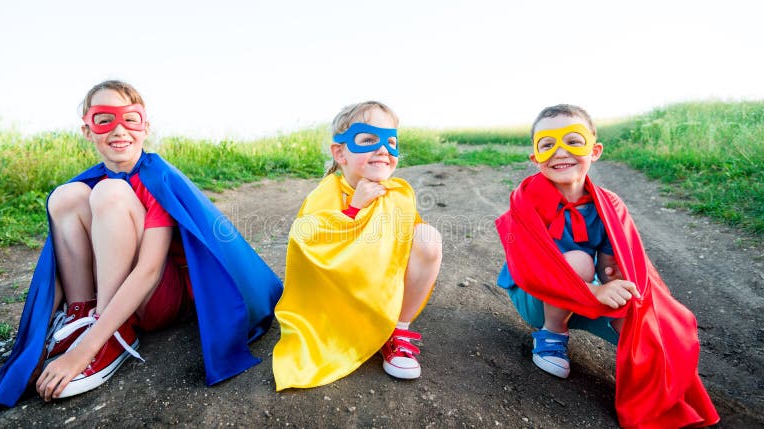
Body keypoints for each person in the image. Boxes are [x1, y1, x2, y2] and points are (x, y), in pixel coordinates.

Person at [0, 80, 283, 406]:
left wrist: (84, 351)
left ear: (145, 126)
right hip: (110, 286)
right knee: (66, 197)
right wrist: (33, 345)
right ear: (87, 130)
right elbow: (57, 268)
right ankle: (81, 316)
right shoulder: (91, 179)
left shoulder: (157, 179)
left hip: (157, 295)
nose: (119, 129)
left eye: (130, 119)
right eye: (104, 119)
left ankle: (108, 334)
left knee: (112, 193)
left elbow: (150, 271)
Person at [495, 104, 719, 428]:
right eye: (547, 144)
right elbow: (532, 266)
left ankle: (652, 391)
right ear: (535, 158)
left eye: (573, 141)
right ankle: (551, 336)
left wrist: (614, 279)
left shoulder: (608, 204)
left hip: (586, 292)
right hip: (535, 296)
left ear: (594, 150)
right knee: (578, 260)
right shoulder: (525, 200)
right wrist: (594, 289)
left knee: (641, 310)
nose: (561, 152)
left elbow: (619, 260)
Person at [272, 101, 442, 390]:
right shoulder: (327, 193)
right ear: (340, 153)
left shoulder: (397, 193)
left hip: (380, 287)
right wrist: (354, 209)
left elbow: (407, 250)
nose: (383, 150)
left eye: (390, 141)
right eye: (367, 140)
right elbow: (310, 241)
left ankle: (397, 330)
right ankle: (356, 330)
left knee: (428, 239)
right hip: (339, 299)